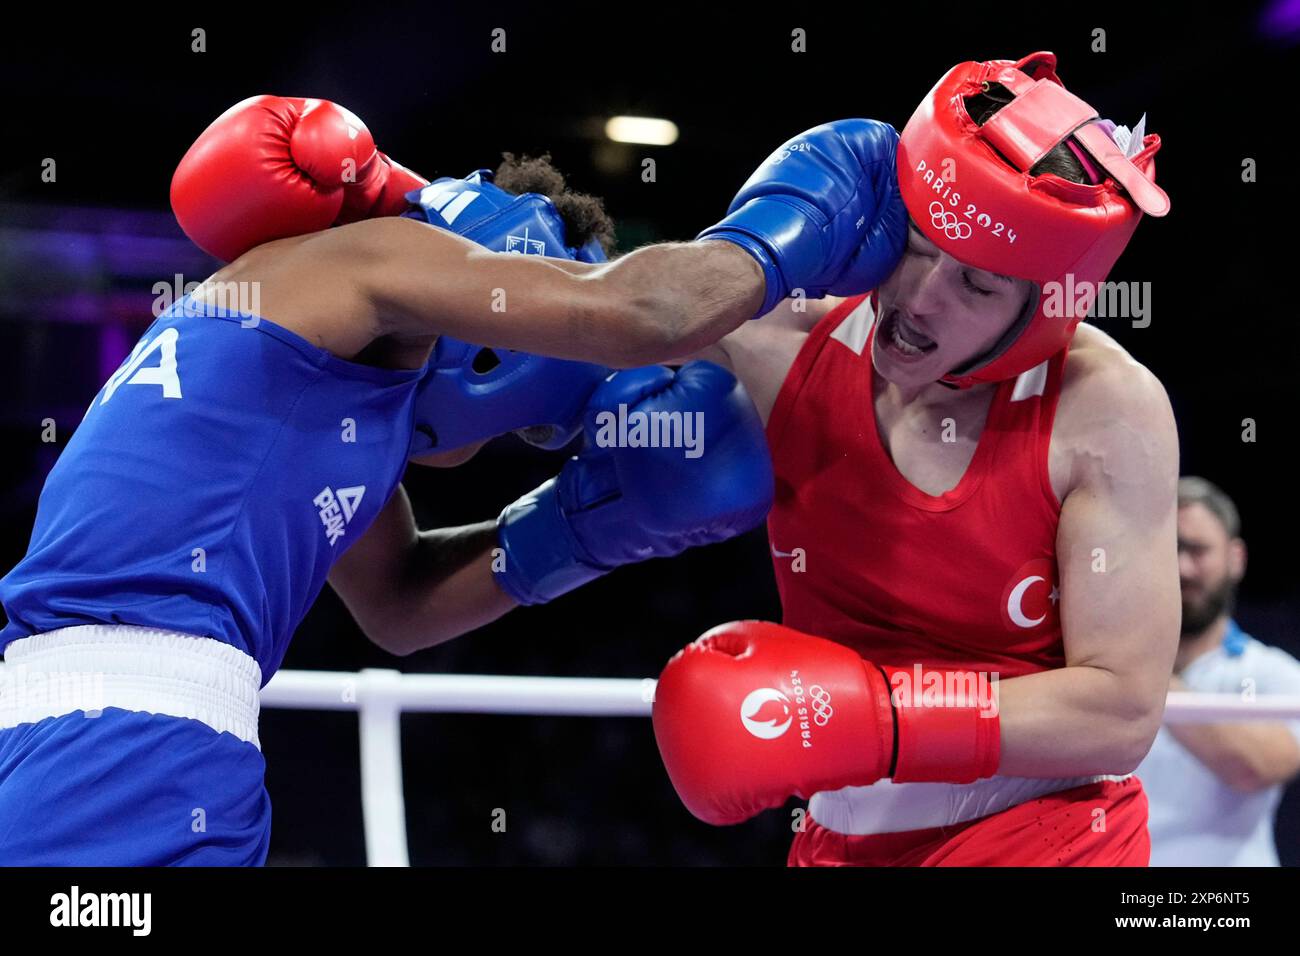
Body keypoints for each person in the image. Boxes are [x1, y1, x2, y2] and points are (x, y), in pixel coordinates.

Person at [0, 93, 905, 864]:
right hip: (123, 742)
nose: (526, 432)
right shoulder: (366, 259)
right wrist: (792, 227)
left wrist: (583, 527)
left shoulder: (317, 396)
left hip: (143, 736)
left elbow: (399, 602)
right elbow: (643, 310)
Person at [652, 52, 1179, 866]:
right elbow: (590, 322)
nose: (922, 297)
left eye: (977, 285)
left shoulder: (1104, 409)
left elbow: (1123, 713)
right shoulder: (786, 338)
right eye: (920, 247)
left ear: (1042, 308)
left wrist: (882, 720)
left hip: (1047, 838)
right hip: (835, 839)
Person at [1137, 477, 1300, 865]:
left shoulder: (1276, 673)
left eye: (1197, 550)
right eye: (1169, 549)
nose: (1181, 567)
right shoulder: (1100, 669)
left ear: (1235, 558)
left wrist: (1144, 675)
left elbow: (1254, 769)